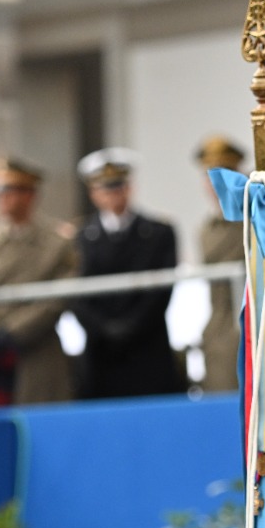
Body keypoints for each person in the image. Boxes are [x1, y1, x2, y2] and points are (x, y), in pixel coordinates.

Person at [0, 157, 80, 406]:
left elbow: (56, 300)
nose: (1, 198)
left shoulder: (54, 242)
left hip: (35, 353)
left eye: (9, 190)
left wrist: (12, 332)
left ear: (29, 195)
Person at [71, 148, 183, 399]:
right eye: (105, 188)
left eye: (118, 186)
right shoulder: (81, 238)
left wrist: (132, 326)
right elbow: (75, 294)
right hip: (101, 352)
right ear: (93, 193)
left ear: (129, 188)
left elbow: (161, 290)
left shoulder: (158, 232)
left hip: (149, 347)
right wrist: (103, 328)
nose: (113, 194)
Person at [195, 136, 247, 393]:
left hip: (255, 327)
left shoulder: (254, 218)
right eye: (209, 175)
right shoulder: (207, 230)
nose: (215, 183)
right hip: (219, 333)